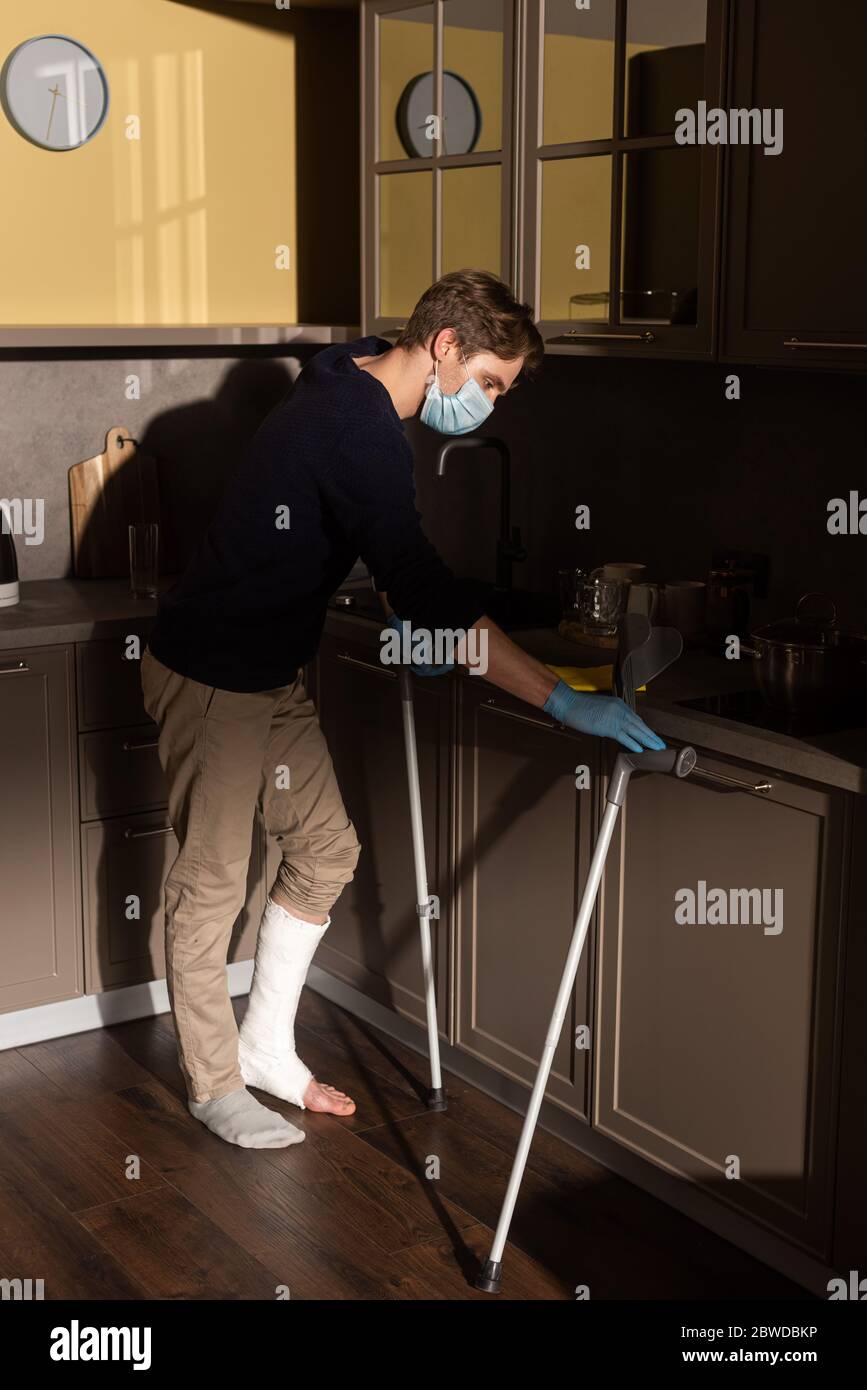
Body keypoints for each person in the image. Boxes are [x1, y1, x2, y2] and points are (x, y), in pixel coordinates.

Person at [141, 268, 665, 1150]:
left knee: (324, 848)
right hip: (211, 675)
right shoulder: (360, 429)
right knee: (210, 885)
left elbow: (388, 570)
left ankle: (265, 1046)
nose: (489, 406)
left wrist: (419, 629)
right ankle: (213, 1083)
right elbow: (418, 586)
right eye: (491, 383)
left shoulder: (345, 371)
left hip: (270, 671)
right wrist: (560, 699)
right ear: (446, 346)